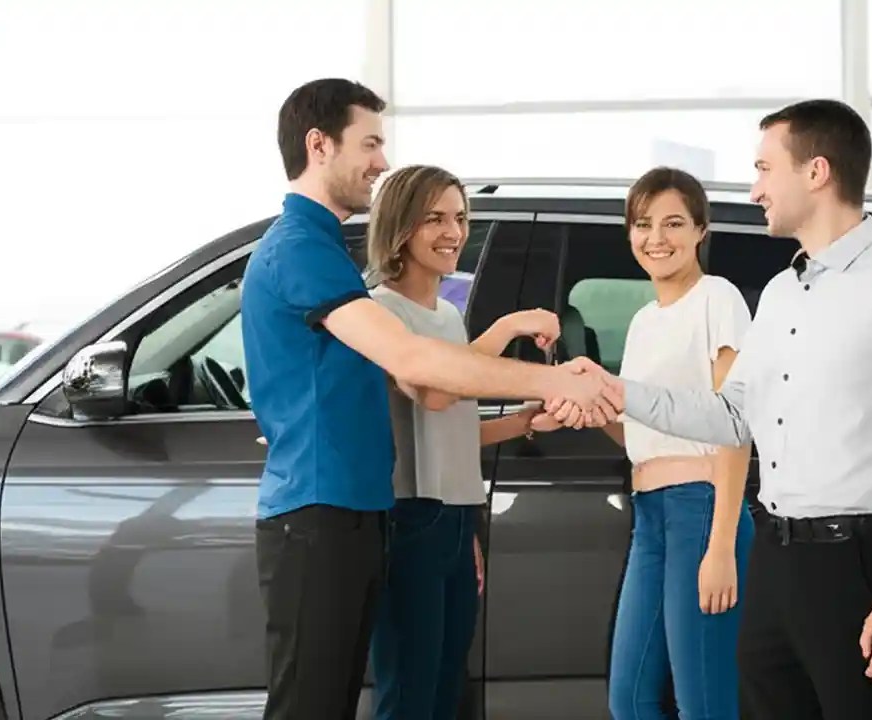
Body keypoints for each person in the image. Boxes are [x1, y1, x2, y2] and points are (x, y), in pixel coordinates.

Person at [550, 99, 872, 719]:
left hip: (859, 560)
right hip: (778, 558)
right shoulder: (784, 291)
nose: (754, 189)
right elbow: (734, 416)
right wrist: (618, 392)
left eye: (763, 169)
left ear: (816, 172)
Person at [240, 78, 618, 720]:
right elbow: (415, 365)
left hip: (358, 512)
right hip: (317, 516)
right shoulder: (301, 248)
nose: (381, 163)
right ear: (318, 145)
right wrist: (553, 379)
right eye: (371, 143)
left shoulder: (324, 247)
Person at [363, 164, 566, 719]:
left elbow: (453, 429)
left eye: (459, 217)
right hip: (412, 518)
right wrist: (507, 329)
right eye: (435, 218)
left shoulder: (448, 315)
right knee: (409, 692)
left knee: (446, 691)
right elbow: (435, 392)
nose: (454, 231)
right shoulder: (380, 312)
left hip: (453, 518)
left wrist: (524, 421)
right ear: (400, 227)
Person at [561, 167, 755, 719]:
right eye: (643, 224)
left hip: (702, 510)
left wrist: (720, 548)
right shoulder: (645, 320)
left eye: (673, 223)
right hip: (649, 516)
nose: (656, 238)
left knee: (703, 701)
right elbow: (643, 436)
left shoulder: (718, 298)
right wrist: (589, 407)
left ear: (701, 230)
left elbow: (734, 426)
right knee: (632, 698)